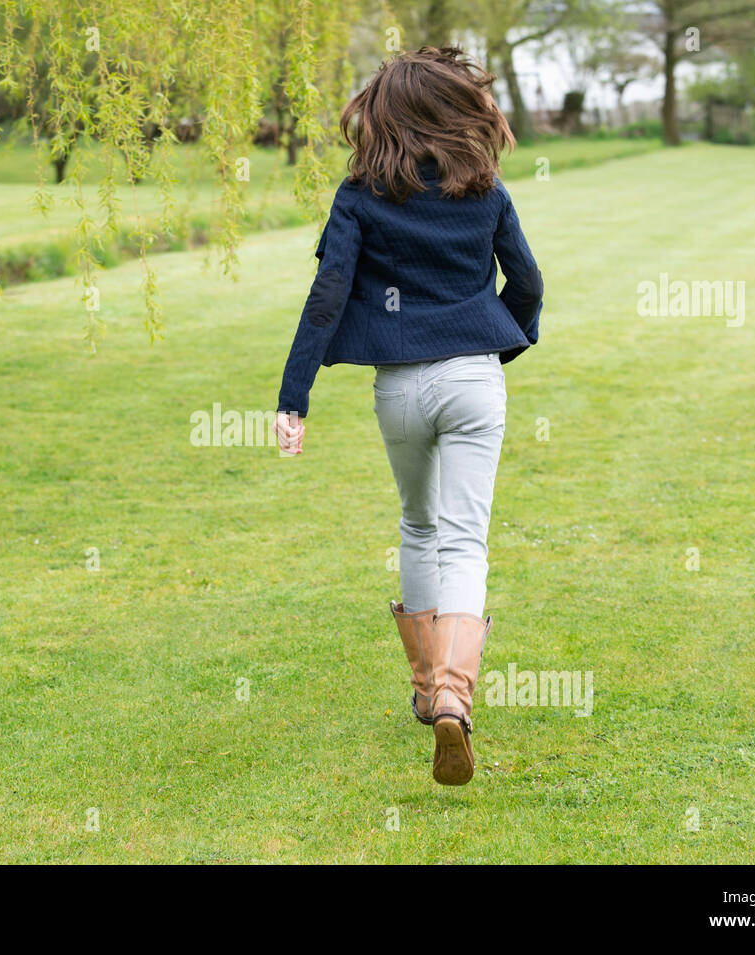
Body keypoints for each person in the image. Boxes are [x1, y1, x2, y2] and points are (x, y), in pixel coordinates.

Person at [274, 47, 543, 785]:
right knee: (465, 538)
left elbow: (329, 293)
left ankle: (429, 691)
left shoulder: (359, 196)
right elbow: (527, 283)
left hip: (399, 388)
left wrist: (294, 397)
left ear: (383, 116)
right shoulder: (485, 193)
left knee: (418, 526)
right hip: (473, 380)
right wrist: (501, 344)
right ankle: (455, 694)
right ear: (458, 113)